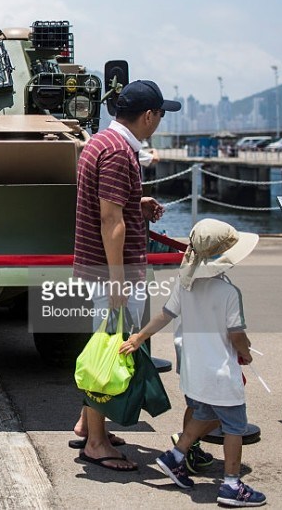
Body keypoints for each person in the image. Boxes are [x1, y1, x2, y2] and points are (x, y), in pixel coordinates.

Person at [119, 218, 267, 507]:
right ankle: (232, 484)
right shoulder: (228, 293)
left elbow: (165, 314)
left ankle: (175, 456)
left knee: (204, 414)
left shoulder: (185, 282)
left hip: (193, 369)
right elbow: (237, 335)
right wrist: (246, 352)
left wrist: (139, 337)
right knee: (235, 426)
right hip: (221, 374)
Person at [72, 79, 180, 472]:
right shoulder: (120, 152)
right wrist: (118, 280)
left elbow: (107, 203)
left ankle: (88, 424)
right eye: (161, 114)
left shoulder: (101, 141)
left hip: (97, 266)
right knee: (110, 352)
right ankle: (96, 443)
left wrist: (137, 202)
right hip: (113, 272)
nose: (160, 120)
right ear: (148, 115)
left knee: (104, 346)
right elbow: (110, 220)